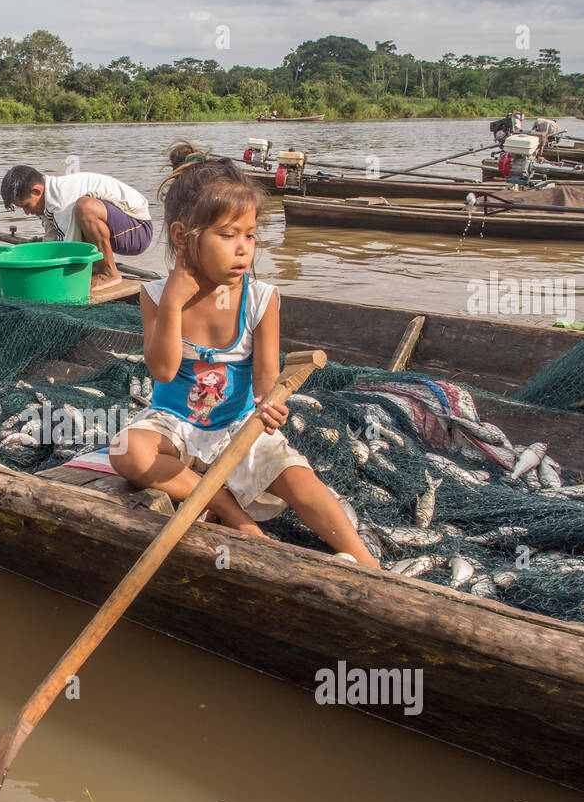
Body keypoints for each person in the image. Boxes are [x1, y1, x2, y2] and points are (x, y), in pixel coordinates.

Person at [108, 142, 380, 567]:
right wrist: (175, 306)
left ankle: (367, 562)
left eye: (250, 235)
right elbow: (161, 370)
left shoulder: (261, 299)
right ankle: (235, 515)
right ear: (183, 237)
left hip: (237, 425)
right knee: (127, 450)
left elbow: (267, 380)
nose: (243, 249)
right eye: (228, 235)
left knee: (299, 478)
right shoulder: (157, 296)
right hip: (173, 423)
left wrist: (270, 407)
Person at [0, 165, 153, 296]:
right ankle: (98, 267)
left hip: (138, 230)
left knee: (85, 208)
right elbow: (52, 242)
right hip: (120, 225)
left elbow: (70, 247)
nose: (27, 213)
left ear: (37, 191)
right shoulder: (49, 199)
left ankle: (108, 272)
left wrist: (60, 281)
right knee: (81, 213)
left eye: (27, 206)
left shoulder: (62, 202)